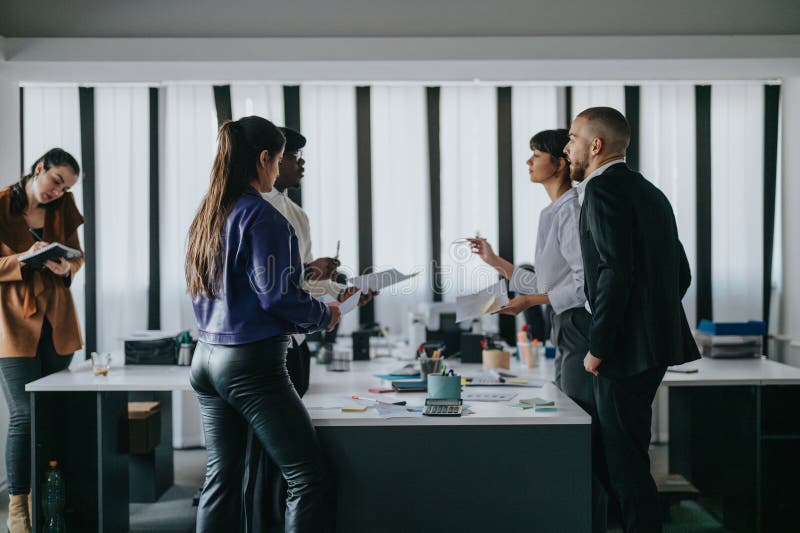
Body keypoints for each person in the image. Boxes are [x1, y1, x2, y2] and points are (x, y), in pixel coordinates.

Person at [186, 116, 340, 532]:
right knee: (306, 477)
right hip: (251, 363)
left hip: (206, 358)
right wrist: (324, 314)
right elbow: (279, 297)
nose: (281, 168)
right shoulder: (266, 217)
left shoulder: (210, 213)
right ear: (264, 158)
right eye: (279, 159)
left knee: (222, 477)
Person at [565, 106, 700, 532]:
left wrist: (599, 347)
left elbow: (614, 274)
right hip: (649, 348)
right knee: (623, 459)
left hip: (621, 353)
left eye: (572, 138)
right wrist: (649, 320)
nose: (567, 147)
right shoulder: (651, 192)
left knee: (623, 468)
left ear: (596, 145)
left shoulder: (601, 193)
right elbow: (682, 273)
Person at [469, 129, 607, 532]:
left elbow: (582, 284)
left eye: (535, 155)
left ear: (560, 163)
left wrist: (530, 302)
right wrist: (497, 263)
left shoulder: (569, 210)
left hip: (578, 326)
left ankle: (592, 519)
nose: (529, 163)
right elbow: (544, 285)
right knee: (573, 421)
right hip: (564, 326)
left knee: (581, 426)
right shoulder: (553, 210)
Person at [250, 126, 375, 530]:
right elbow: (273, 283)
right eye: (293, 156)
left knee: (283, 453)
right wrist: (311, 275)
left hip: (295, 344)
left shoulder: (298, 214)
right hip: (262, 344)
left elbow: (301, 284)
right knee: (271, 453)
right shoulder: (249, 207)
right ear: (270, 159)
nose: (301, 164)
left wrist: (342, 290)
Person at [0, 148, 83, 533]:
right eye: (56, 181)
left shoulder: (64, 207)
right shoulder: (2, 205)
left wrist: (67, 266)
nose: (58, 191)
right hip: (13, 324)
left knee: (53, 415)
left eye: (65, 187)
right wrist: (22, 258)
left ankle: (54, 501)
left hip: (57, 323)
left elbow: (77, 255)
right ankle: (19, 509)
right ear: (39, 169)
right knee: (24, 416)